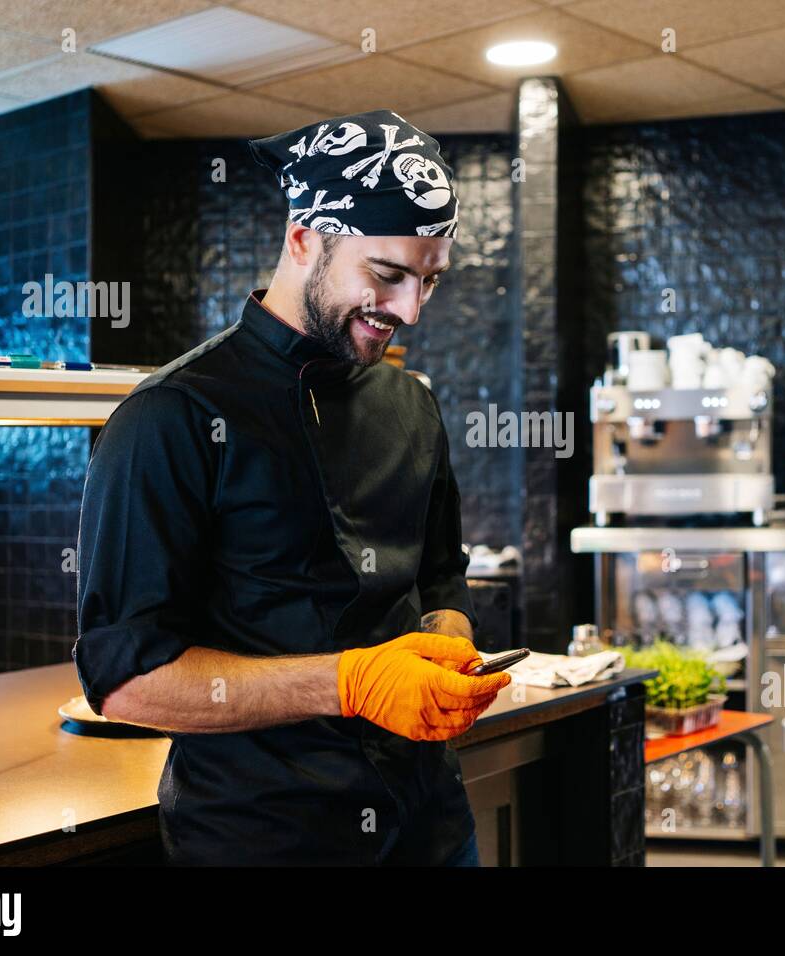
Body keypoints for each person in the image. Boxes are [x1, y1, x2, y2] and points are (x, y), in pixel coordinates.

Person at [72, 108, 509, 866]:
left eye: (429, 282)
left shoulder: (412, 404)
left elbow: (441, 575)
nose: (408, 312)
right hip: (266, 840)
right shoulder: (170, 417)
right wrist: (352, 683)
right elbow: (125, 678)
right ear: (304, 238)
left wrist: (447, 642)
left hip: (432, 826)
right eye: (387, 274)